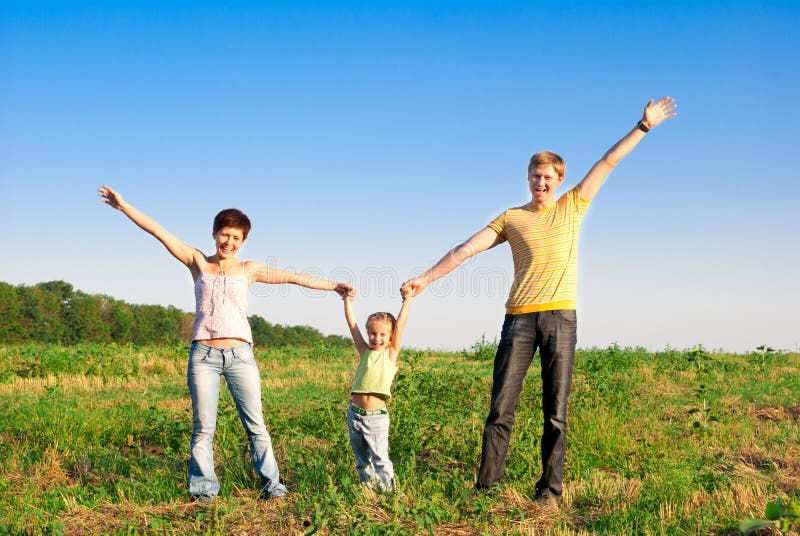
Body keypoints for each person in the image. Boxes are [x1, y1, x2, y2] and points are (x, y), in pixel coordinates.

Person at [401, 97, 678, 507]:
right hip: (519, 321)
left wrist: (643, 126)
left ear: (559, 179)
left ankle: (549, 491)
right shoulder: (511, 218)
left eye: (547, 176)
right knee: (501, 408)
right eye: (535, 176)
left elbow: (607, 162)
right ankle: (486, 489)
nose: (541, 182)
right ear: (528, 178)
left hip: (561, 319)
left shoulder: (573, 206)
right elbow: (465, 250)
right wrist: (425, 279)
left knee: (556, 412)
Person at [98, 186, 353, 503]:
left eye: (236, 238)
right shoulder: (197, 262)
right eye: (225, 235)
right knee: (203, 428)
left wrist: (333, 286)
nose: (229, 242)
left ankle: (272, 487)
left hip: (240, 355)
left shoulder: (249, 269)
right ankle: (204, 491)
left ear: (243, 241)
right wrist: (124, 206)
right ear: (214, 233)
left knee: (256, 425)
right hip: (203, 354)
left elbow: (294, 277)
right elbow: (158, 231)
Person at [341, 288, 412, 492]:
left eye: (382, 334)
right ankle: (369, 492)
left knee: (380, 458)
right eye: (373, 333)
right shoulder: (364, 351)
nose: (377, 338)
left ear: (390, 337)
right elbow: (352, 326)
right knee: (362, 460)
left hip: (376, 417)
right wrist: (347, 301)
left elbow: (400, 326)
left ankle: (391, 494)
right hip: (355, 415)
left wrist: (407, 301)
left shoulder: (390, 354)